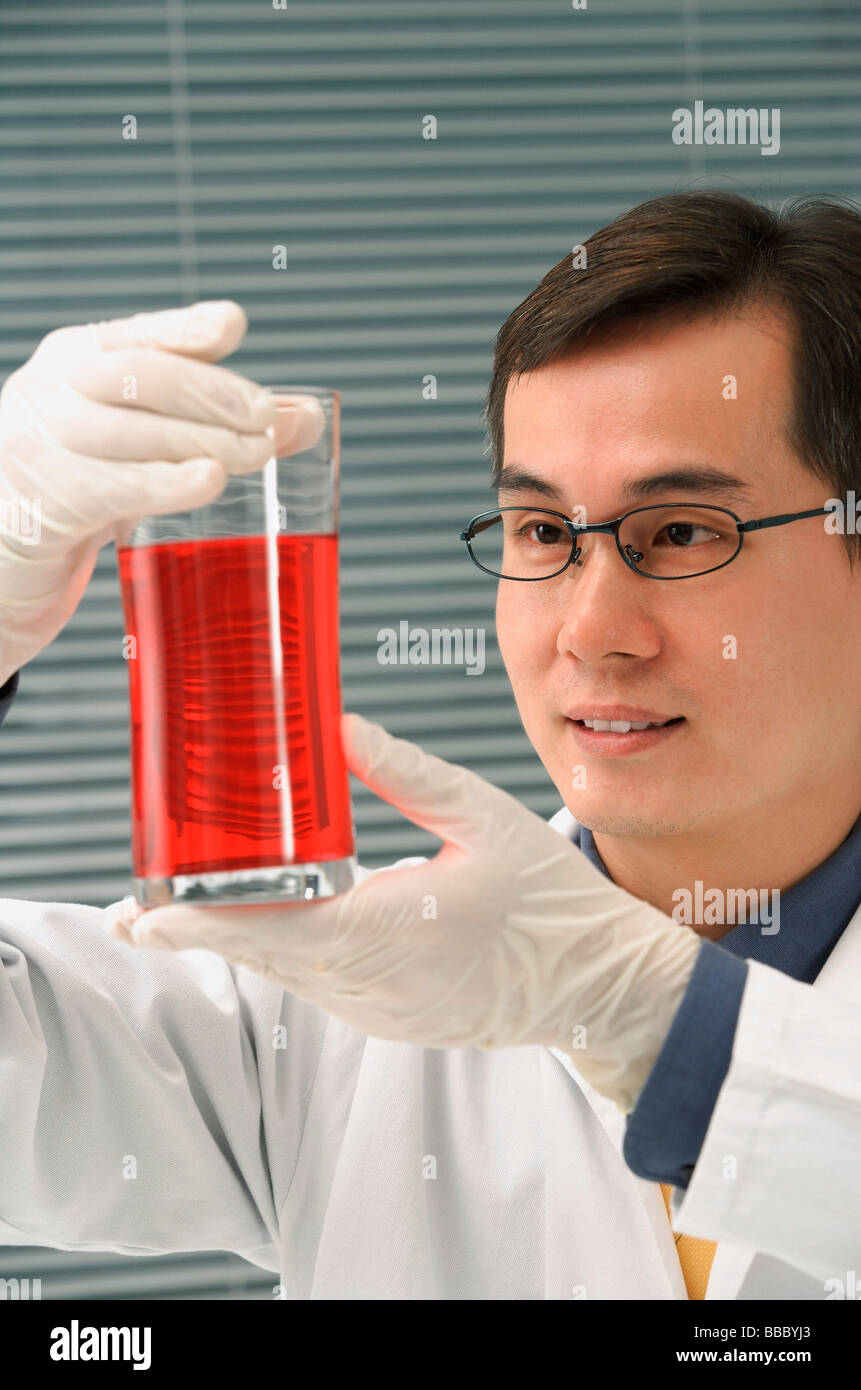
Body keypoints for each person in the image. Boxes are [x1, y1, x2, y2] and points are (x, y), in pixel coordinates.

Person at [1, 190, 859, 1302]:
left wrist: (641, 1012)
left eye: (683, 531)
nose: (591, 631)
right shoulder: (336, 1011)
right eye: (545, 532)